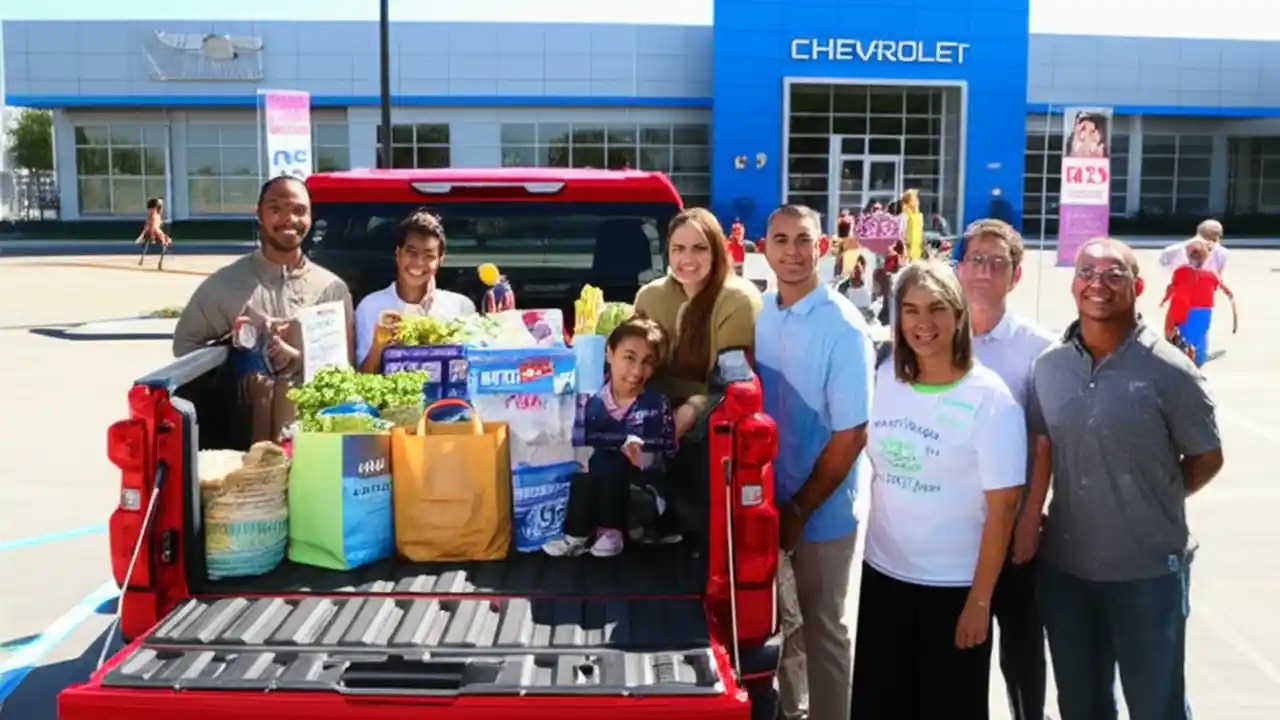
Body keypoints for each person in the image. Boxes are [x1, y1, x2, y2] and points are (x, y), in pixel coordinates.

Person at [1028, 237, 1223, 720]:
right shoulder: (1049, 367)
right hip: (1067, 572)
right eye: (1087, 272)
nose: (1099, 284)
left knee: (1156, 707)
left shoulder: (1171, 371)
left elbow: (1206, 457)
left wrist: (1151, 493)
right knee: (1080, 706)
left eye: (1114, 274)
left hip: (1149, 574)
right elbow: (1041, 450)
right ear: (1073, 284)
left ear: (1136, 286)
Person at [850, 260, 1026, 719]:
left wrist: (980, 601)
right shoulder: (884, 378)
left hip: (954, 587)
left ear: (959, 315)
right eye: (910, 310)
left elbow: (1004, 508)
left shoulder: (990, 398)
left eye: (936, 309)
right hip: (885, 577)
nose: (922, 324)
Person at [755, 204, 873, 720]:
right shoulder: (761, 312)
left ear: (823, 248)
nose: (793, 251)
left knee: (825, 630)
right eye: (781, 240)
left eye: (803, 240)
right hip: (765, 506)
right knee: (774, 625)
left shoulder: (843, 327)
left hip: (819, 514)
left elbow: (852, 434)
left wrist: (801, 508)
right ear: (763, 249)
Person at [953, 218, 1055, 720]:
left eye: (998, 263)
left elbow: (1043, 440)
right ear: (958, 268)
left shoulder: (1039, 350)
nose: (984, 272)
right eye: (975, 259)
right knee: (961, 643)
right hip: (952, 526)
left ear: (1016, 276)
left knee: (1020, 644)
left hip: (1011, 523)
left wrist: (1031, 518)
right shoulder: (934, 338)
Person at [173, 176, 354, 442]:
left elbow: (343, 368)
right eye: (276, 208)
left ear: (311, 217)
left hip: (314, 444)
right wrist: (234, 344)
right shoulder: (225, 284)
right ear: (258, 214)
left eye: (299, 210)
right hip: (244, 447)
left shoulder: (331, 288)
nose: (289, 219)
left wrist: (297, 355)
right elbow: (184, 348)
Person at [542, 317, 676, 558]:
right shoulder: (589, 399)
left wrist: (642, 457)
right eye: (629, 357)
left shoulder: (655, 404)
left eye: (647, 362)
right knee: (591, 468)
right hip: (596, 489)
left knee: (609, 461)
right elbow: (579, 444)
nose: (637, 371)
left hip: (641, 496)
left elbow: (664, 458)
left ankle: (610, 534)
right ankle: (577, 535)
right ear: (609, 354)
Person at [634, 207, 763, 442]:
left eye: (700, 248)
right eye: (678, 249)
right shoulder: (649, 297)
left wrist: (690, 411)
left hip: (713, 429)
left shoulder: (738, 299)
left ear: (717, 250)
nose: (688, 259)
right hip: (649, 420)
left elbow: (731, 383)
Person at [355, 210, 478, 373]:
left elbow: (473, 370)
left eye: (429, 256)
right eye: (411, 253)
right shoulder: (371, 307)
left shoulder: (460, 308)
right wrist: (379, 344)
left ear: (440, 260)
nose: (419, 263)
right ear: (398, 254)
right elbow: (362, 379)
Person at [1160, 239, 1238, 367]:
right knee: (1201, 335)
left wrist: (1165, 299)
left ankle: (1182, 357)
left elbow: (1172, 287)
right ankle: (1198, 358)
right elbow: (1225, 290)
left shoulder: (1181, 272)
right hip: (1204, 310)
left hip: (1183, 308)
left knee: (1181, 333)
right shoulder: (1211, 275)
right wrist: (1232, 302)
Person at [1159, 219, 1228, 277]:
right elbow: (1217, 277)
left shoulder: (1172, 250)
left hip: (1179, 289)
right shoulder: (1221, 253)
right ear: (1218, 237)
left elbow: (1163, 262)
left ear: (1198, 231)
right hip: (1206, 290)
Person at [136, 197, 172, 270]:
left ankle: (143, 260)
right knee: (165, 243)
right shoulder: (153, 213)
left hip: (154, 230)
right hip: (154, 230)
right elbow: (151, 224)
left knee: (162, 243)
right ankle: (159, 263)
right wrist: (151, 235)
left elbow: (150, 224)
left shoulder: (154, 212)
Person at [901, 188, 925, 261]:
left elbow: (920, 232)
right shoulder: (905, 215)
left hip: (917, 253)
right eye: (915, 198)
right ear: (909, 201)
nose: (918, 200)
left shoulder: (918, 215)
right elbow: (902, 233)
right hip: (908, 254)